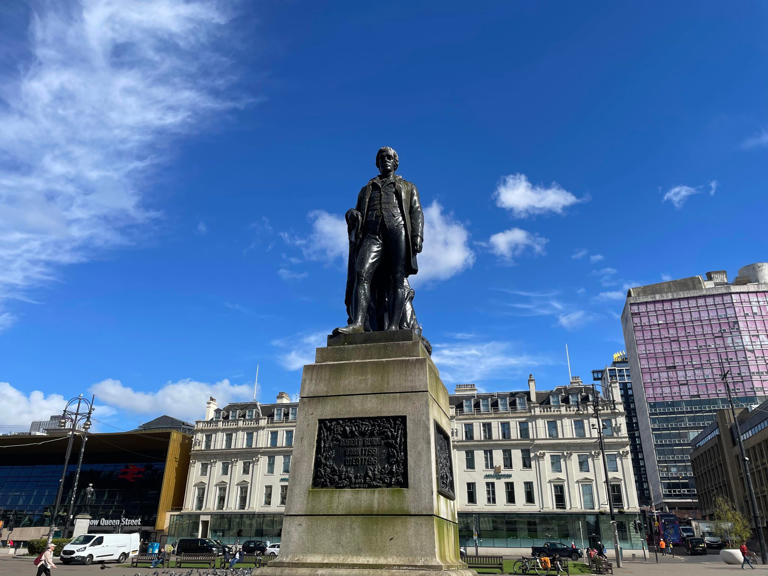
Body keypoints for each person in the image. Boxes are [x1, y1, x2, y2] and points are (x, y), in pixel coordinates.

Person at [336, 146, 424, 335]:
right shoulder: (366, 189)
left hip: (397, 229)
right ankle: (358, 323)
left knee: (397, 279)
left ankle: (393, 326)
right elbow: (359, 212)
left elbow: (416, 211)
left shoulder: (408, 187)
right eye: (382, 158)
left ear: (396, 162)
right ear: (377, 163)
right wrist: (352, 215)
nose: (386, 160)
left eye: (390, 157)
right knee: (362, 273)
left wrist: (417, 236)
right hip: (372, 233)